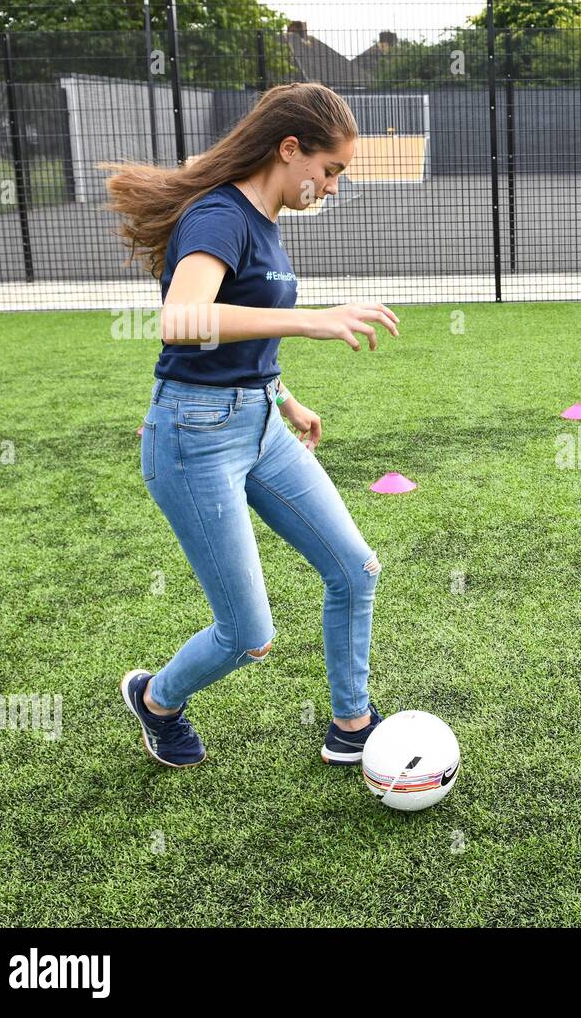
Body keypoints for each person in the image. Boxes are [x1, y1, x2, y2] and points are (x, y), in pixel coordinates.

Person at [104, 83, 400, 768]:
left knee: (355, 570)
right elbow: (182, 319)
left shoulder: (264, 220)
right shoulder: (218, 215)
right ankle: (156, 700)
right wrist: (310, 320)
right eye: (330, 170)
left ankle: (351, 725)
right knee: (247, 635)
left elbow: (236, 336)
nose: (332, 186)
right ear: (290, 149)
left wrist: (284, 397)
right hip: (194, 437)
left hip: (262, 425)